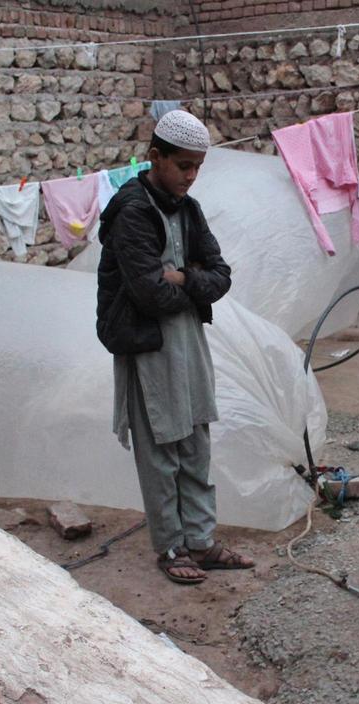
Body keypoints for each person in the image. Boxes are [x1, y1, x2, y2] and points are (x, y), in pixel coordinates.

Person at [96, 109, 253, 585]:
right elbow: (148, 293)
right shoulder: (132, 211)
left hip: (188, 341)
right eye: (182, 165)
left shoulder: (189, 209)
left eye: (197, 167)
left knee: (195, 443)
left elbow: (222, 276)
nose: (190, 176)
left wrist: (183, 275)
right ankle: (170, 546)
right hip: (149, 347)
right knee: (161, 450)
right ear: (155, 157)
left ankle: (202, 543)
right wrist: (191, 284)